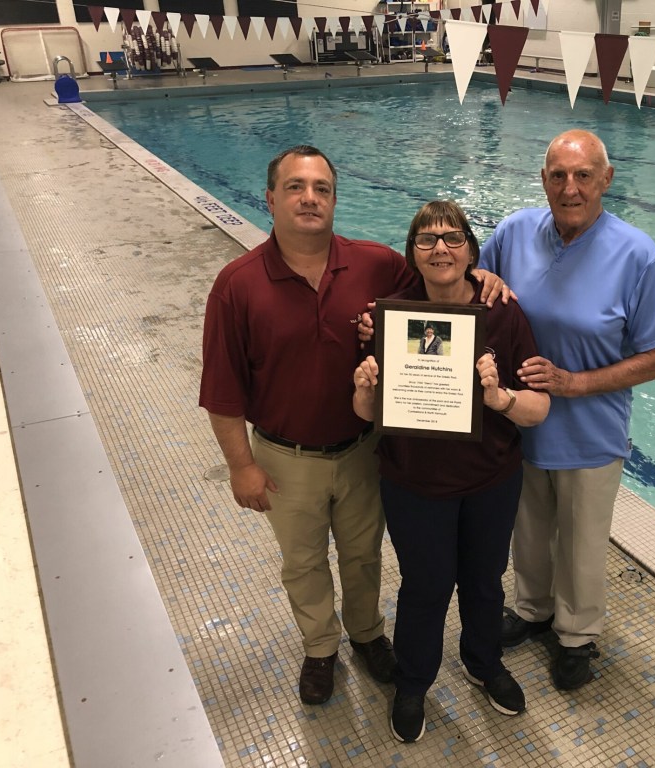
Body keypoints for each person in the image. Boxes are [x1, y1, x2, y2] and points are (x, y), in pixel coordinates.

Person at [199, 146, 506, 707]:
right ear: (271, 199)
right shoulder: (237, 285)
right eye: (295, 187)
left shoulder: (375, 265)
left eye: (321, 188)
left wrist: (481, 273)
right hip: (284, 457)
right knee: (304, 561)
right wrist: (240, 465)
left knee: (363, 553)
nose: (309, 198)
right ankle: (320, 647)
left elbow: (438, 277)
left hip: (364, 449)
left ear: (336, 199)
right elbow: (221, 391)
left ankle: (367, 635)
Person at [479, 129, 655, 691]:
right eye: (557, 176)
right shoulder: (514, 233)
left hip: (590, 431)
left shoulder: (637, 254)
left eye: (583, 176)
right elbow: (473, 290)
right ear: (543, 180)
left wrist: (575, 383)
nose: (570, 188)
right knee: (528, 530)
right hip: (521, 423)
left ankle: (576, 635)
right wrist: (480, 277)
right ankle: (532, 609)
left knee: (582, 542)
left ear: (606, 180)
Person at [353, 200, 549, 743]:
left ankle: (483, 663)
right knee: (425, 586)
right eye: (427, 238)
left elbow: (539, 408)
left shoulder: (504, 313)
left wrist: (499, 397)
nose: (441, 247)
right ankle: (414, 681)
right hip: (414, 484)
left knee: (485, 582)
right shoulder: (389, 317)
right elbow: (367, 411)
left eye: (453, 237)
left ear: (471, 250)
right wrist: (362, 387)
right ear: (412, 253)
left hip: (490, 480)